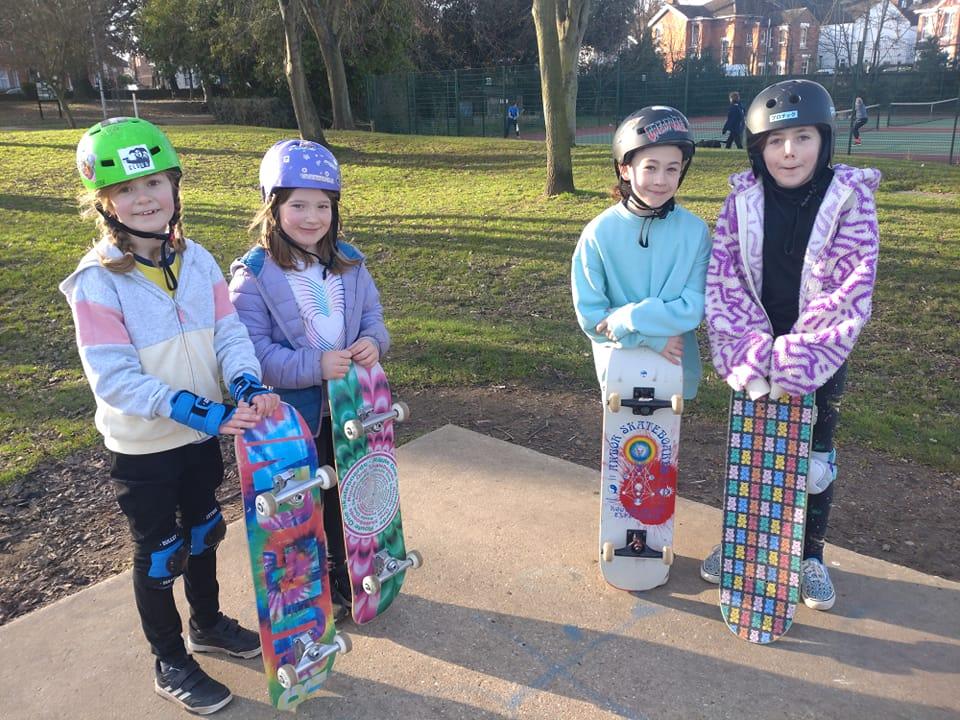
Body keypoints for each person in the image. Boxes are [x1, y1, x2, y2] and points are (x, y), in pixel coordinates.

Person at [61, 117, 280, 715]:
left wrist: (243, 381)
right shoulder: (96, 283)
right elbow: (115, 378)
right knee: (161, 551)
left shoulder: (199, 259)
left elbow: (229, 332)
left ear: (175, 187)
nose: (145, 197)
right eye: (127, 190)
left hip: (200, 435)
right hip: (145, 446)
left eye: (154, 182)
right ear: (103, 204)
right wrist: (201, 410)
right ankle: (169, 658)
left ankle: (206, 623)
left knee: (207, 531)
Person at [702, 79, 880, 611]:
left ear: (824, 140)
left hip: (817, 355)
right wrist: (752, 357)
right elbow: (724, 277)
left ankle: (809, 555)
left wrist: (799, 359)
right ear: (758, 147)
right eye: (776, 141)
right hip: (754, 352)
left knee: (814, 458)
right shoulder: (741, 201)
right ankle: (744, 544)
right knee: (752, 451)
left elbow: (850, 286)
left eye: (803, 138)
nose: (789, 152)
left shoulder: (850, 200)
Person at [229, 139, 389, 622]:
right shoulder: (253, 276)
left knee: (347, 497)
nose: (312, 217)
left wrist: (374, 344)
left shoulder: (349, 262)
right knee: (304, 505)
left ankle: (346, 570)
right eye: (297, 205)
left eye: (322, 205)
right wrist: (313, 367)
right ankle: (309, 581)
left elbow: (374, 318)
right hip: (293, 421)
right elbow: (250, 354)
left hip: (350, 410)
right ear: (272, 207)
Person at [571, 105, 711, 401]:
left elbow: (694, 306)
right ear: (625, 168)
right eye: (650, 167)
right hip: (620, 372)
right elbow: (591, 317)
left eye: (672, 168)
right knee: (622, 444)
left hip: (674, 372)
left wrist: (629, 317)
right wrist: (650, 337)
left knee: (665, 444)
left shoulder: (695, 232)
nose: (661, 179)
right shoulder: (599, 233)